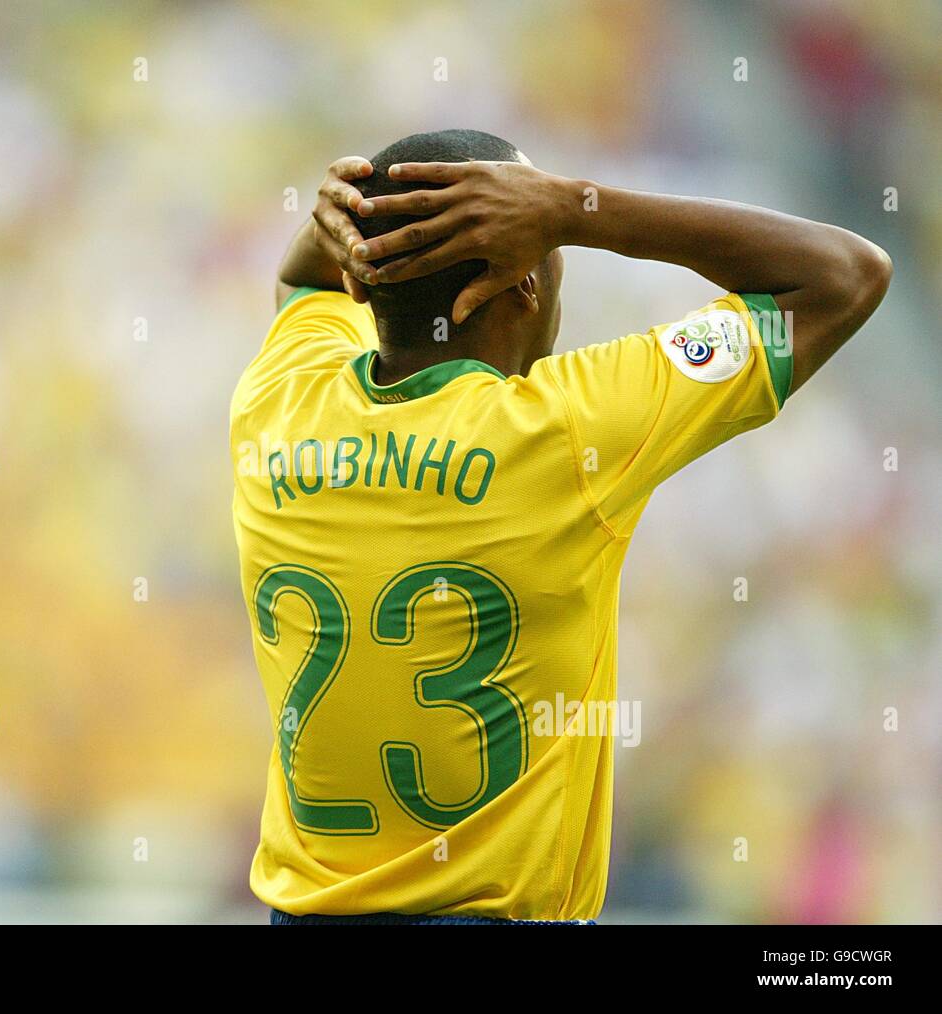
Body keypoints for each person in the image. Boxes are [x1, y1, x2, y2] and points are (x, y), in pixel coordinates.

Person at [230, 129, 891, 924]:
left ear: (362, 282)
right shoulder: (566, 431)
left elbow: (302, 287)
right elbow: (844, 275)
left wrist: (334, 221)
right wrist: (577, 209)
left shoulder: (278, 404)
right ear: (526, 283)